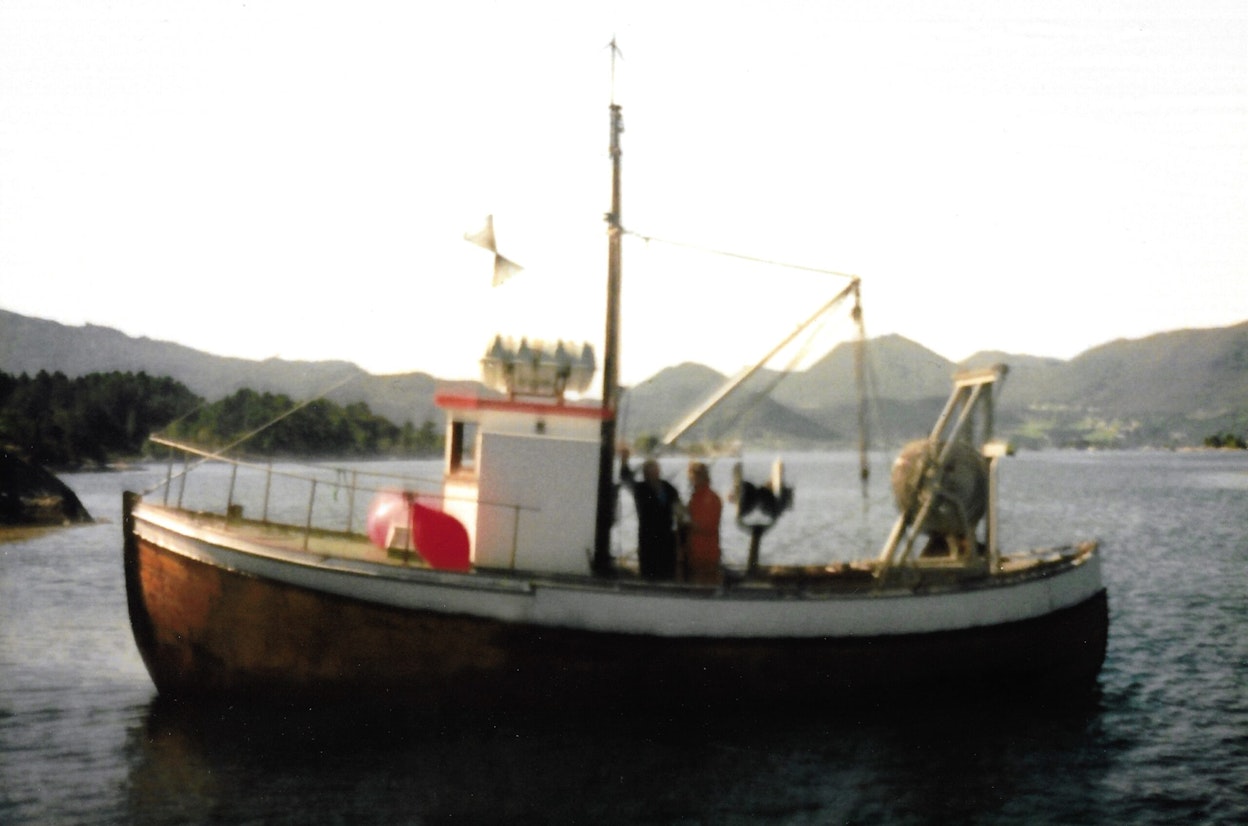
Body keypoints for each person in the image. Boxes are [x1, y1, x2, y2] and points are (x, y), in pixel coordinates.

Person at [619, 449, 681, 580]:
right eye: (649, 472)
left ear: (658, 472)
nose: (652, 475)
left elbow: (679, 511)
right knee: (648, 572)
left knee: (667, 573)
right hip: (648, 538)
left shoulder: (668, 488)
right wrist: (624, 461)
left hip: (666, 538)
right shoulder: (641, 489)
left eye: (654, 471)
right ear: (645, 474)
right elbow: (626, 479)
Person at [684, 461, 723, 585]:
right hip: (698, 550)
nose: (690, 480)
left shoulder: (708, 498)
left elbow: (708, 526)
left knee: (703, 585)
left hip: (704, 551)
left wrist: (686, 521)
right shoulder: (697, 497)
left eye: (691, 477)